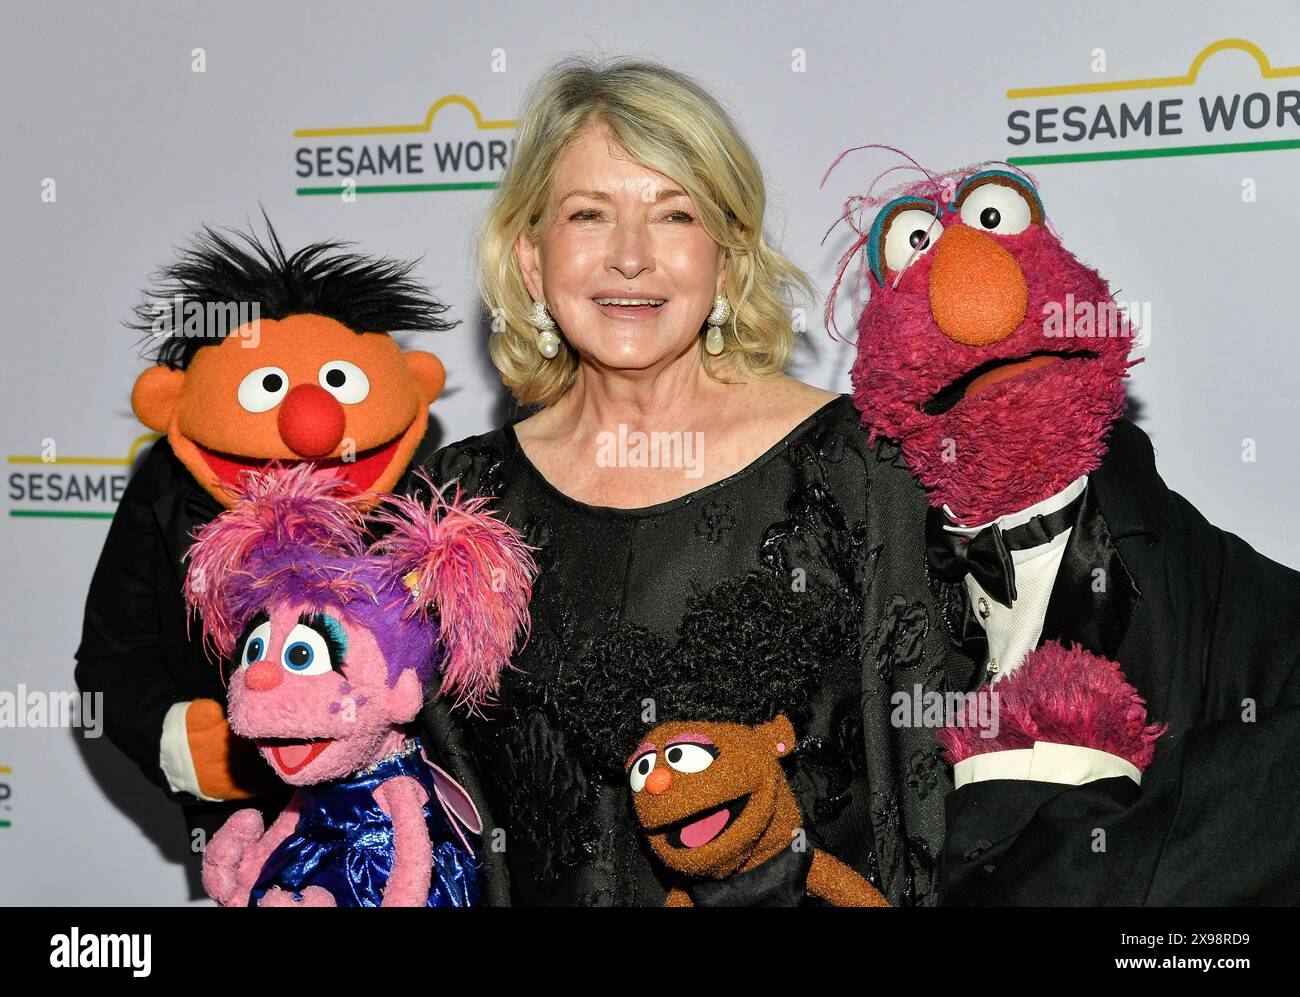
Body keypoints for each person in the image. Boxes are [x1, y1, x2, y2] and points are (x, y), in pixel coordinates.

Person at [418, 57, 973, 906]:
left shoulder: (857, 464)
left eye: (674, 214)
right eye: (589, 214)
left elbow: (928, 783)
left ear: (727, 256)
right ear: (532, 259)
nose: (631, 257)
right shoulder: (457, 502)